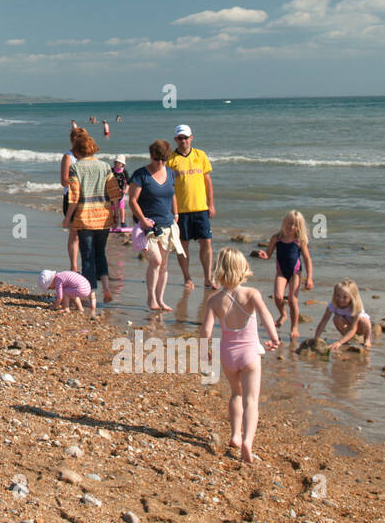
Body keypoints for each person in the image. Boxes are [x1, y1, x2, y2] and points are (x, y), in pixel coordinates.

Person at [199, 248, 280, 463]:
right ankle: (247, 441)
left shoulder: (214, 301)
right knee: (251, 400)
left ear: (220, 271)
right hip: (250, 354)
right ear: (244, 269)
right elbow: (265, 316)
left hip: (228, 356)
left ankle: (235, 435)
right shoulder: (251, 294)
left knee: (236, 393)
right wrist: (274, 337)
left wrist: (203, 351)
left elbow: (206, 331)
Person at [62, 128, 122, 304]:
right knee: (100, 253)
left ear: (78, 151)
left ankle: (91, 295)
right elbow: (114, 194)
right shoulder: (104, 167)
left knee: (87, 256)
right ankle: (106, 288)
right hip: (103, 218)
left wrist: (67, 219)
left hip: (84, 218)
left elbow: (73, 197)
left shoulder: (76, 167)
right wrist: (117, 215)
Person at [128, 139, 185, 312]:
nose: (159, 163)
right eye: (156, 159)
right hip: (148, 227)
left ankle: (160, 300)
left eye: (163, 159)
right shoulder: (140, 175)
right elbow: (132, 200)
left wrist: (176, 214)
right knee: (156, 260)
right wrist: (143, 220)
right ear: (151, 156)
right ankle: (150, 298)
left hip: (167, 224)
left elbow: (172, 195)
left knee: (164, 264)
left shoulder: (170, 173)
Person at [253, 210, 314, 338]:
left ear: (299, 227)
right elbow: (269, 254)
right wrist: (264, 255)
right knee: (278, 297)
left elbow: (307, 259)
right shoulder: (276, 238)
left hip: (295, 273)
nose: (292, 227)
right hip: (281, 272)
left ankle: (294, 328)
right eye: (289, 223)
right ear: (284, 222)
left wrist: (309, 278)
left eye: (295, 225)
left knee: (292, 301)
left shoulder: (299, 241)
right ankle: (283, 314)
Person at [168, 124, 215, 290]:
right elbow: (167, 186)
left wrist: (211, 204)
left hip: (201, 208)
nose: (183, 141)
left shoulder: (200, 155)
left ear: (191, 138)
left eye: (186, 138)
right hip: (180, 211)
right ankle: (187, 278)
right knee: (183, 246)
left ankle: (208, 278)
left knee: (206, 243)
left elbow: (207, 181)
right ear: (176, 139)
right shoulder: (170, 159)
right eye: (180, 138)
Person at [313, 279, 375, 350]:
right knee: (336, 318)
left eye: (345, 297)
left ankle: (367, 339)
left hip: (359, 327)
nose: (340, 299)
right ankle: (347, 338)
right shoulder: (333, 305)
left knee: (365, 321)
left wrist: (339, 342)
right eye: (338, 295)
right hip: (347, 326)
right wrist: (316, 338)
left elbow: (353, 329)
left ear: (352, 297)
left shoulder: (356, 308)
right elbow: (323, 321)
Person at [58, 121, 80, 271]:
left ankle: (88, 265)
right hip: (71, 198)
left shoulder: (87, 156)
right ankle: (74, 266)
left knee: (86, 234)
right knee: (75, 233)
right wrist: (77, 183)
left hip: (86, 199)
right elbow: (64, 182)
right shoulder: (68, 157)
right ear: (73, 140)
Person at [109, 155, 130, 233]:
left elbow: (128, 183)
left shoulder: (124, 172)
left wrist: (126, 190)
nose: (117, 164)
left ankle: (122, 222)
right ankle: (111, 222)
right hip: (112, 193)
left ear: (122, 164)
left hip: (121, 193)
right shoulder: (111, 171)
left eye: (119, 163)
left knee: (121, 208)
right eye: (116, 163)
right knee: (111, 208)